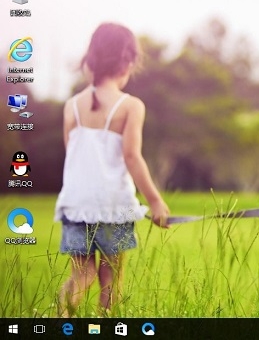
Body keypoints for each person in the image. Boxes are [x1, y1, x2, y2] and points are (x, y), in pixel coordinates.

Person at [54, 23, 170, 316]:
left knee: (81, 276)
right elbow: (132, 157)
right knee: (110, 281)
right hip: (113, 207)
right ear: (128, 63)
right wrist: (155, 201)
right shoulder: (130, 106)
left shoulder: (72, 106)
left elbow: (73, 156)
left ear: (90, 60)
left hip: (76, 204)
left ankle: (57, 321)